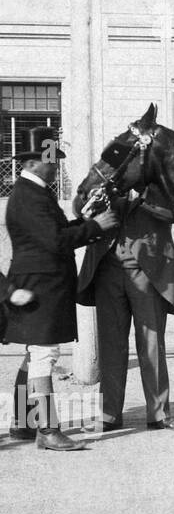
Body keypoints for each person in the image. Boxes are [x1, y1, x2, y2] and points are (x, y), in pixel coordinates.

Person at [4, 126, 118, 450]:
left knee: (33, 355)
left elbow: (57, 230)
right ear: (32, 162)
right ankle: (48, 431)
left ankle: (23, 424)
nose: (55, 166)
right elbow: (55, 241)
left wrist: (87, 224)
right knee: (44, 355)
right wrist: (96, 227)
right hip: (41, 286)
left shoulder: (34, 193)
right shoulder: (29, 196)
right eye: (51, 160)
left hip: (39, 284)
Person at [76, 185, 174, 431]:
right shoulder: (105, 174)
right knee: (110, 345)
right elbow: (78, 205)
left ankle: (159, 415)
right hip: (107, 270)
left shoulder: (157, 180)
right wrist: (90, 197)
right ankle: (109, 415)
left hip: (149, 271)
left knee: (151, 343)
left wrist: (142, 196)